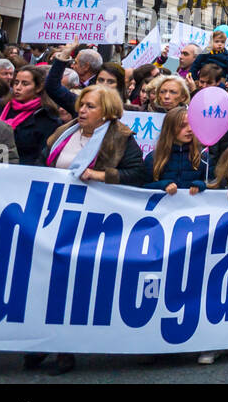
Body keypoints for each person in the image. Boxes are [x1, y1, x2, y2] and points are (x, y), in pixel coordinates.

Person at [34, 86, 146, 374]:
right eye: (81, 105)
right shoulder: (67, 131)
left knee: (71, 285)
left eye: (90, 106)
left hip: (92, 223)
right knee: (45, 281)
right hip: (55, 217)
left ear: (107, 112)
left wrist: (100, 175)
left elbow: (137, 175)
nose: (82, 110)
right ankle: (39, 342)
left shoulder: (120, 138)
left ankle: (65, 350)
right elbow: (40, 164)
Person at [0, 66, 61, 166]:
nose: (18, 88)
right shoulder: (2, 107)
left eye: (25, 84)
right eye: (16, 82)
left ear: (38, 87)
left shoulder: (47, 118)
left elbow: (42, 156)